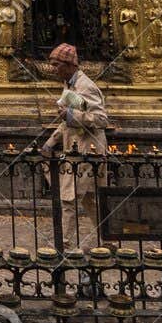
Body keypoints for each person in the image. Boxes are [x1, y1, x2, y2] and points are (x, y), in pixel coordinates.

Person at [41, 43, 109, 239]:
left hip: (88, 152)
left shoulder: (85, 86)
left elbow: (101, 119)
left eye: (56, 65)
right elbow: (67, 123)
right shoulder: (69, 84)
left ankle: (66, 245)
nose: (53, 70)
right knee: (92, 200)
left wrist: (72, 114)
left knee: (68, 199)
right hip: (77, 150)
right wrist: (50, 142)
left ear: (69, 65)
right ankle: (108, 239)